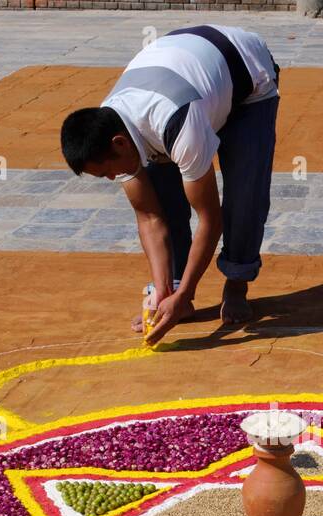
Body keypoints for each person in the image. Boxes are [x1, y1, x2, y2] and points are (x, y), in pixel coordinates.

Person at [60, 25, 280, 344]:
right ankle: (173, 290)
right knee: (162, 199)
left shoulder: (177, 123)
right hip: (190, 79)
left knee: (245, 194)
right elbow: (150, 218)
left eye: (107, 172)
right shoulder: (110, 125)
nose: (112, 179)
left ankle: (236, 281)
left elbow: (210, 219)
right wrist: (165, 292)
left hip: (247, 76)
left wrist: (187, 293)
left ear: (120, 144)